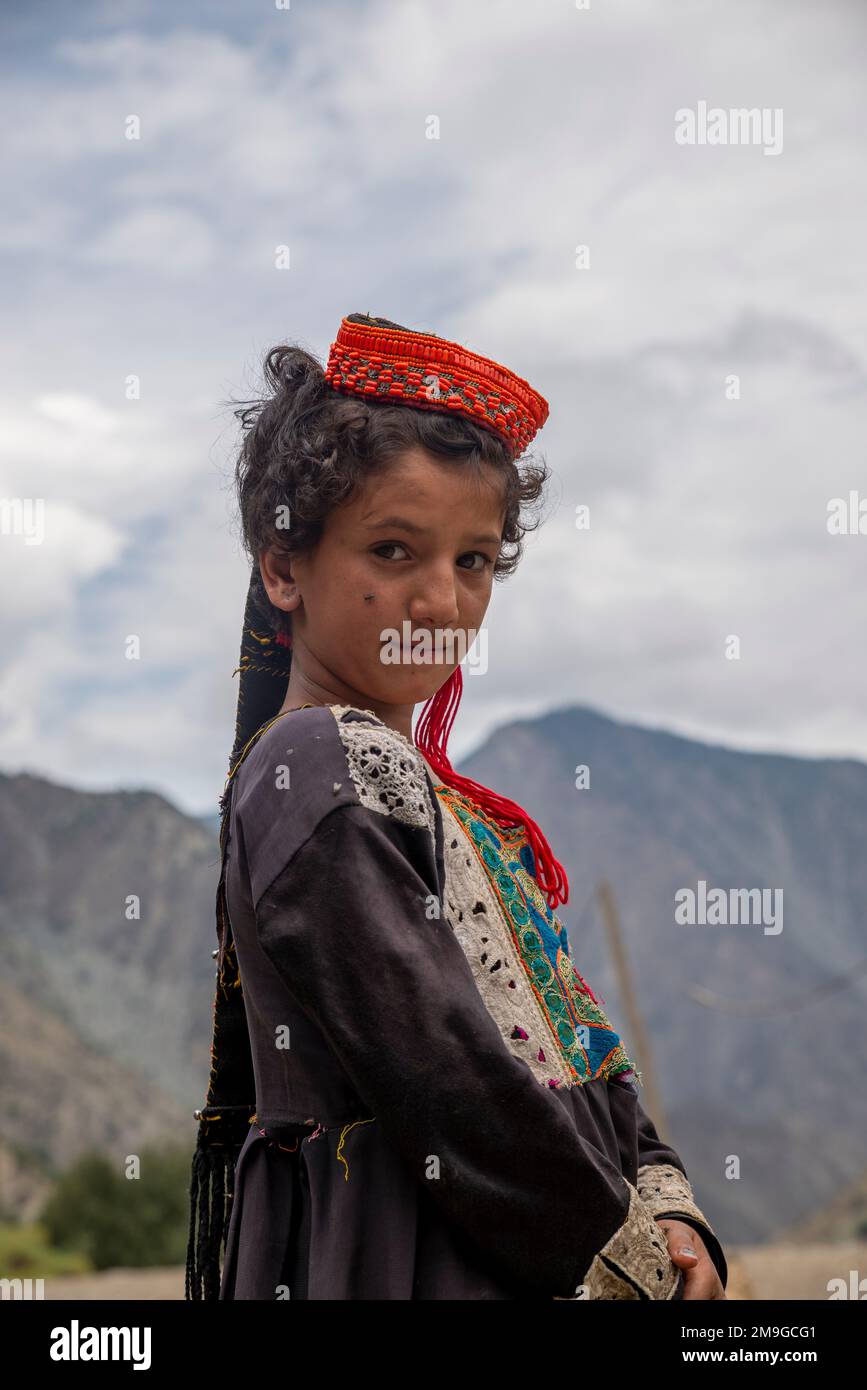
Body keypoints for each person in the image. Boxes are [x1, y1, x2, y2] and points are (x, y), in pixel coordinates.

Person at [186, 312, 728, 1301]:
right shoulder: (312, 763)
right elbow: (446, 1072)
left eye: (473, 560)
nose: (442, 600)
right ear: (283, 568)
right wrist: (619, 1256)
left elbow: (575, 1043)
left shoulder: (464, 811)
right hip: (401, 1256)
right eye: (394, 550)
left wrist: (668, 1199)